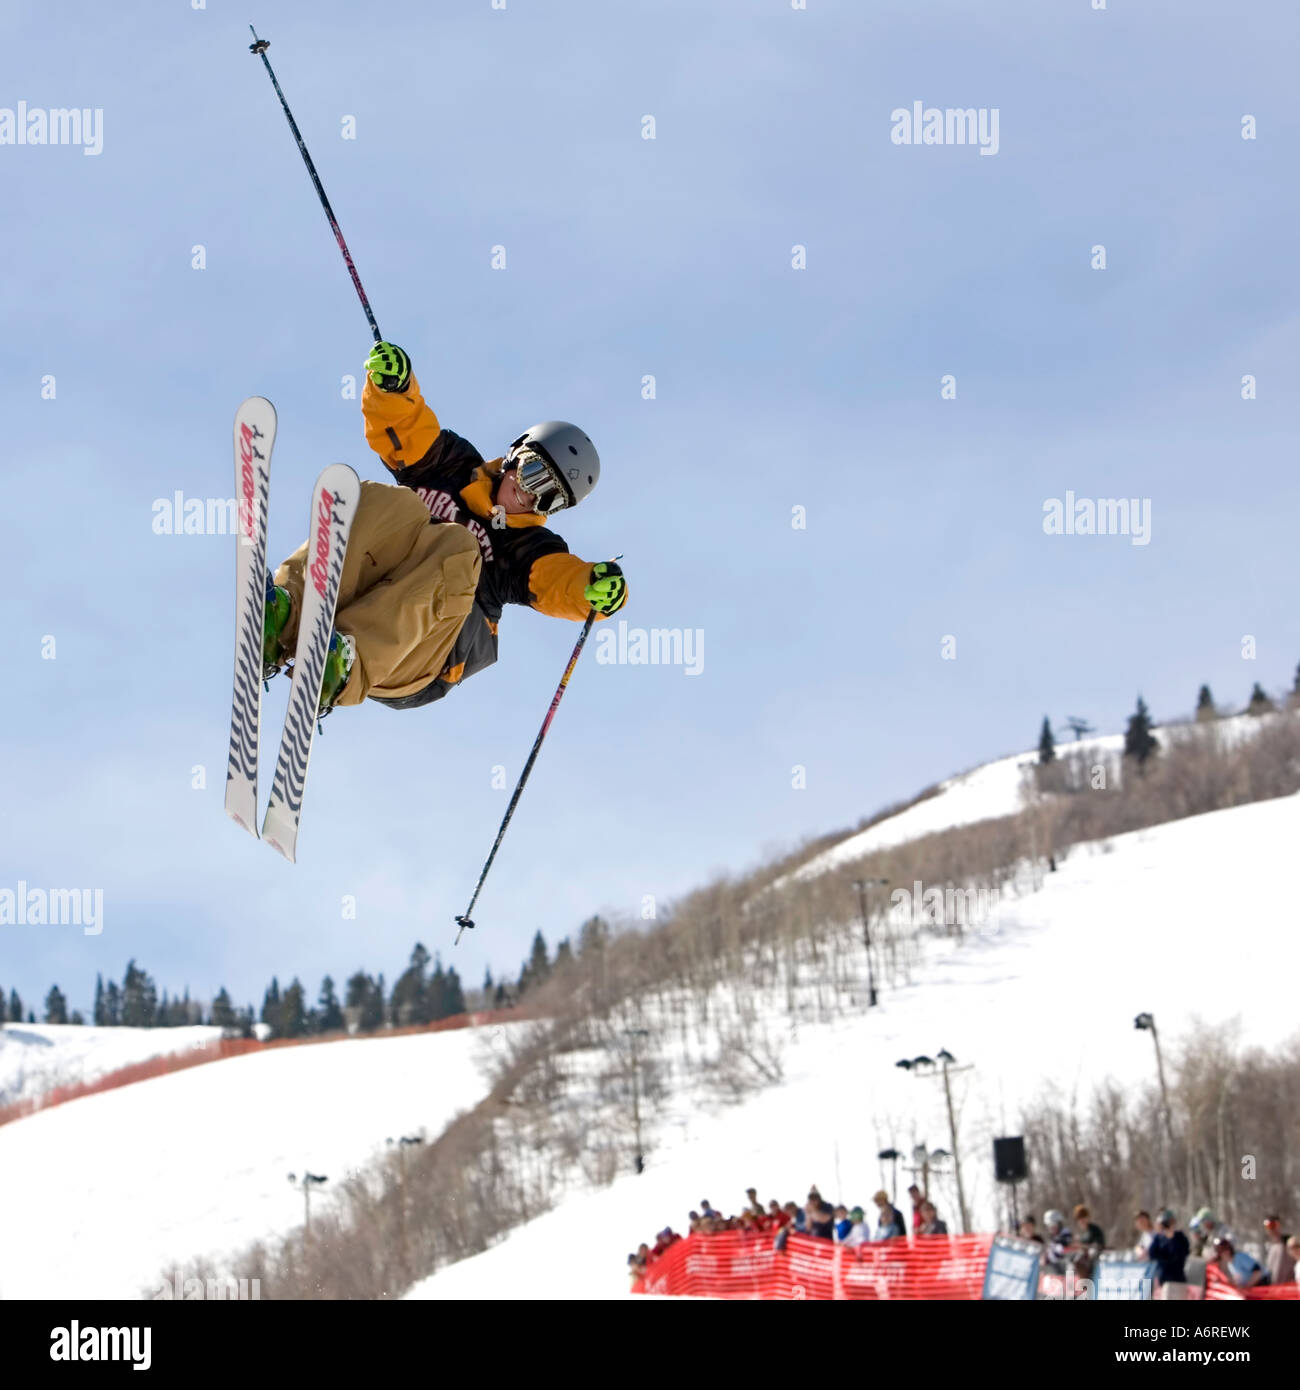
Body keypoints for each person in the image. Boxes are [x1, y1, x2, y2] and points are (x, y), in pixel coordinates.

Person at [264, 340, 628, 711]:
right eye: (534, 473)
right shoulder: (451, 466)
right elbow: (407, 430)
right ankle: (284, 618)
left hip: (424, 653)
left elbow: (556, 581)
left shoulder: (527, 548)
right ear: (516, 455)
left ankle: (345, 664)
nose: (529, 495)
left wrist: (589, 590)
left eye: (549, 496)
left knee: (459, 546)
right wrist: (394, 388)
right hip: (371, 592)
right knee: (384, 498)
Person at [1147, 1209, 1190, 1300]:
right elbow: (1152, 1254)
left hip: (1177, 1279)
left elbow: (1180, 1254)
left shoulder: (1180, 1237)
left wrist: (1172, 1238)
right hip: (1163, 1279)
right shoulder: (1159, 1238)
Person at [1262, 1215, 1296, 1286]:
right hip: (1275, 1289)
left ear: (1279, 1226)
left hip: (1290, 1288)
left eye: (1273, 1225)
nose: (1271, 1229)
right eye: (1268, 1227)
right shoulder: (1269, 1246)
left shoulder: (1288, 1242)